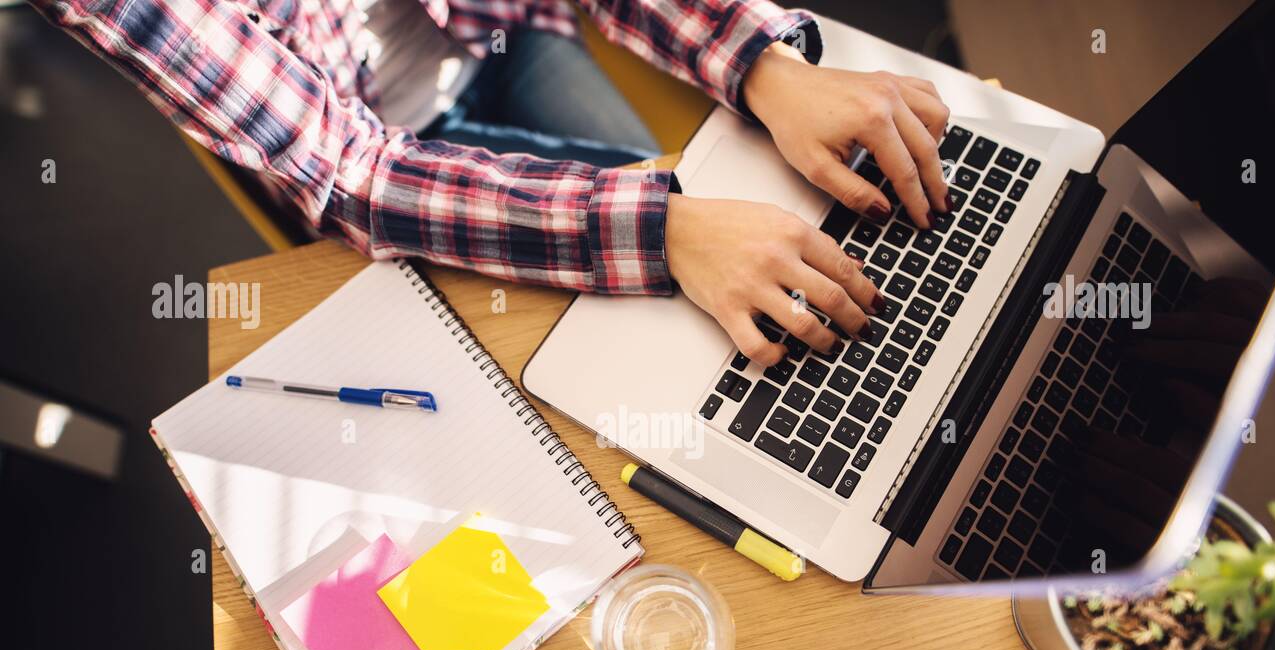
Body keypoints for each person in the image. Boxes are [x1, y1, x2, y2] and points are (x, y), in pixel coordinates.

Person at [34, 0, 951, 365]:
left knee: (758, 249)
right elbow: (352, 170)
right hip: (394, 151)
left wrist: (765, 65)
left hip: (497, 27)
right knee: (679, 324)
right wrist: (663, 231)